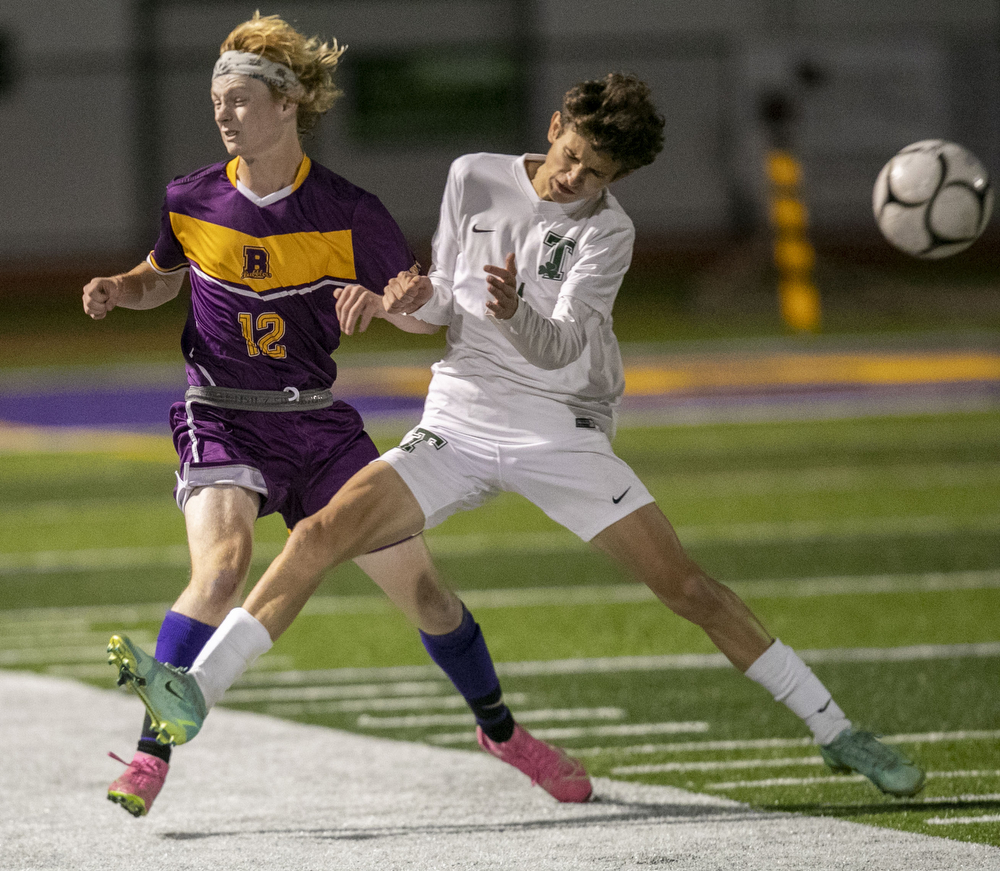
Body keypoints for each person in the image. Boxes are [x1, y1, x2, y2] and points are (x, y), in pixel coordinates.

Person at [108, 72, 926, 801]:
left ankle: (835, 730)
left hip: (559, 431)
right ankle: (197, 694)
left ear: (619, 179)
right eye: (572, 155)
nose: (574, 179)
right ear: (554, 126)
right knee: (321, 533)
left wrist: (516, 311)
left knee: (686, 589)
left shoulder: (610, 233)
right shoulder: (473, 176)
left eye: (597, 173)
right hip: (459, 417)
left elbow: (568, 345)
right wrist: (401, 299)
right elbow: (441, 311)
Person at [89, 12, 586, 816]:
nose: (224, 113)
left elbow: (423, 307)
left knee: (427, 595)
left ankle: (499, 730)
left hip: (317, 425)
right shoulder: (190, 196)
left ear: (288, 105)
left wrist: (395, 304)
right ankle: (150, 756)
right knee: (220, 569)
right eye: (218, 99)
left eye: (242, 98)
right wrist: (121, 286)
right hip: (222, 413)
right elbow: (160, 275)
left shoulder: (350, 211)